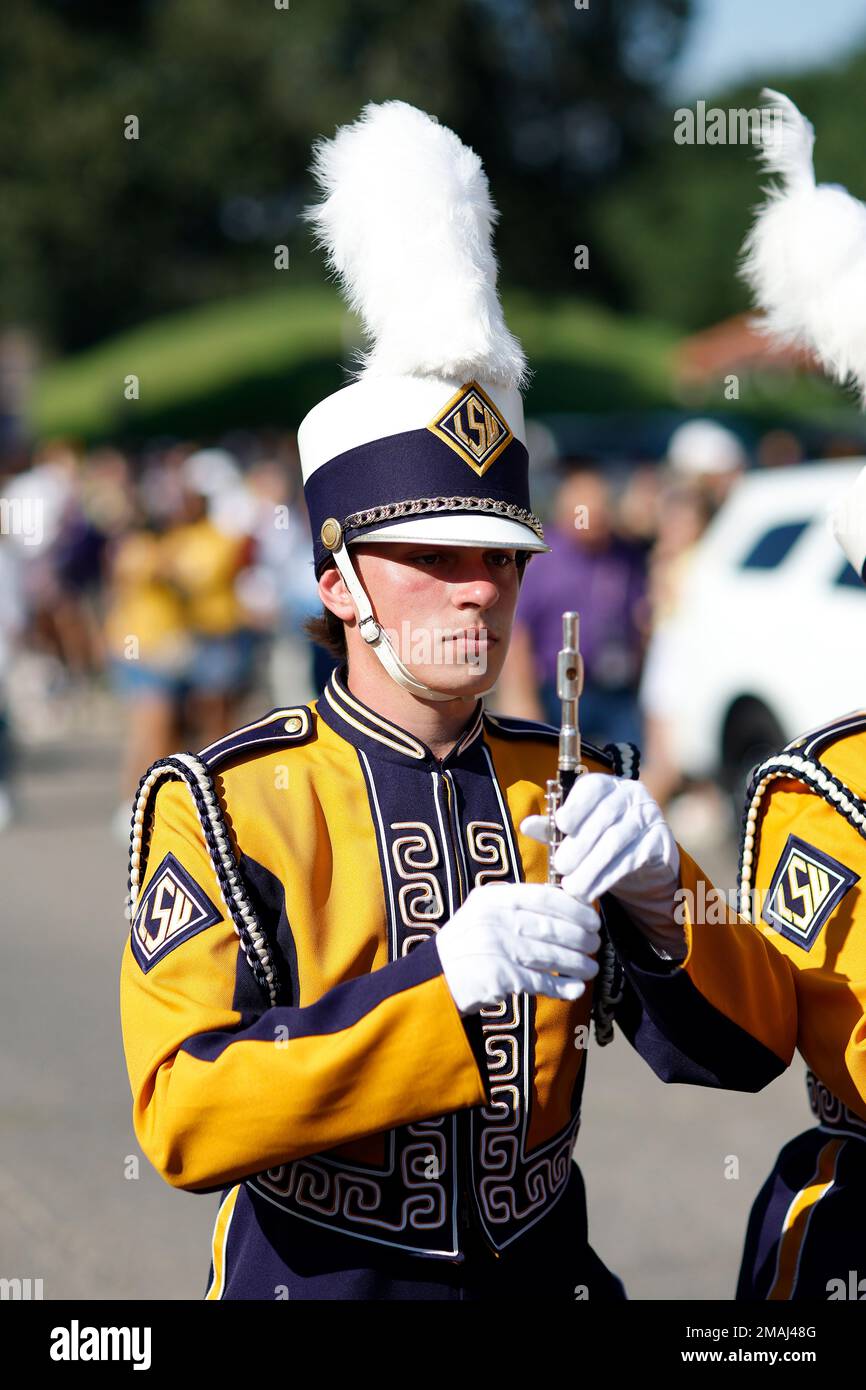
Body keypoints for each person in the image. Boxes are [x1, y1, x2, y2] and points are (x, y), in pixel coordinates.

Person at [119, 100, 662, 1301]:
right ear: (335, 579)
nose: (479, 587)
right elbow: (181, 1114)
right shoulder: (226, 801)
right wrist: (435, 994)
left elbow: (733, 1053)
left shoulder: (573, 772)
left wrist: (675, 903)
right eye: (435, 555)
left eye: (500, 556)